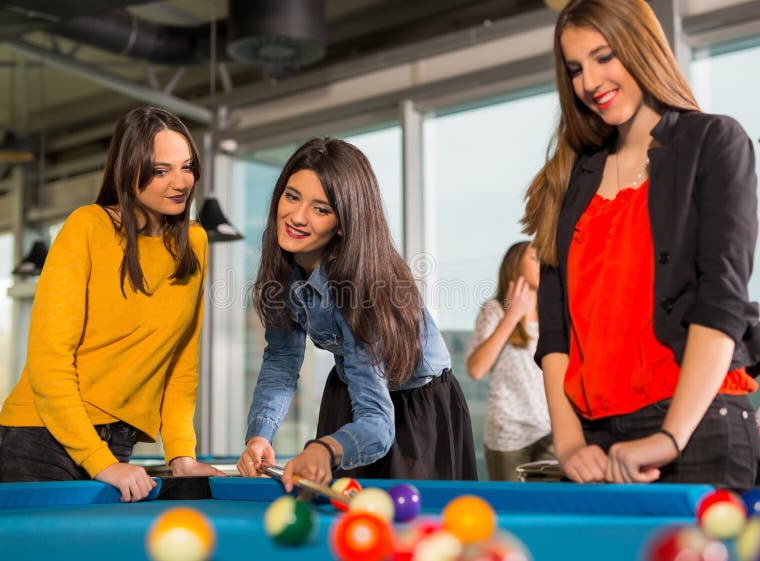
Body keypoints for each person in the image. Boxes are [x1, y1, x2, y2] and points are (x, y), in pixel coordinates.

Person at [522, 0, 760, 487]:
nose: (589, 81)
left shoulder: (715, 141)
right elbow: (555, 330)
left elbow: (721, 301)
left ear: (641, 47)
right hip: (594, 441)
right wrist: (568, 444)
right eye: (575, 68)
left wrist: (671, 436)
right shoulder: (567, 179)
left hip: (698, 427)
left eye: (604, 56)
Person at [0, 106, 224, 500]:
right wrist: (99, 459)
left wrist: (181, 454)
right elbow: (50, 362)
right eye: (161, 171)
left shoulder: (193, 243)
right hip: (38, 441)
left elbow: (181, 365)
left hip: (116, 446)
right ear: (129, 171)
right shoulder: (88, 227)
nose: (181, 182)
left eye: (187, 167)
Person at [236, 137, 477, 490]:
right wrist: (259, 435)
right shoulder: (284, 273)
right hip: (351, 388)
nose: (297, 217)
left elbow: (379, 423)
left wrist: (326, 449)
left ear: (344, 223)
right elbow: (282, 360)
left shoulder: (366, 293)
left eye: (321, 209)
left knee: (405, 530)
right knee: (338, 520)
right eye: (292, 196)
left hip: (418, 407)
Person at [466, 241, 553, 481]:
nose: (542, 263)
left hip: (550, 431)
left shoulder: (553, 312)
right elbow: (475, 369)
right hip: (508, 435)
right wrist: (513, 314)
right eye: (534, 258)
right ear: (515, 265)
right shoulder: (495, 310)